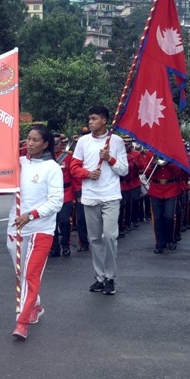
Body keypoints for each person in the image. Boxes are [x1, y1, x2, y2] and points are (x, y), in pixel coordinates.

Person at [6, 124, 63, 341]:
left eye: (35, 140)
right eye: (28, 139)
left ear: (45, 144)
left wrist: (31, 215)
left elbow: (56, 202)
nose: (29, 143)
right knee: (21, 273)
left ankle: (21, 322)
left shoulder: (52, 168)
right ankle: (35, 306)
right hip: (16, 227)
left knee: (30, 274)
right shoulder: (19, 163)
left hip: (41, 230)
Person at [70, 106, 128, 296]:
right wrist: (87, 174)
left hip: (110, 196)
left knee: (109, 236)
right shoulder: (83, 141)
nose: (90, 122)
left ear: (104, 120)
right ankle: (100, 277)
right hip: (90, 196)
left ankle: (110, 277)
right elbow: (74, 167)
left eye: (94, 118)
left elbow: (124, 170)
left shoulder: (116, 141)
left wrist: (109, 158)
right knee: (94, 239)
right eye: (89, 119)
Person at [144, 152, 190, 254]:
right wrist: (154, 165)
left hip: (171, 189)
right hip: (156, 189)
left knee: (169, 216)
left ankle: (170, 238)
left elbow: (181, 174)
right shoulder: (151, 153)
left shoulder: (174, 154)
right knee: (157, 218)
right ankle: (159, 243)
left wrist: (170, 163)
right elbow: (146, 173)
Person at [49, 134, 75, 258]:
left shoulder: (68, 157)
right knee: (51, 223)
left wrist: (76, 194)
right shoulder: (45, 157)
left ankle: (65, 245)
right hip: (50, 194)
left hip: (66, 193)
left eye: (57, 143)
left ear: (61, 144)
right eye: (53, 144)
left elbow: (73, 176)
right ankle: (54, 248)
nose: (55, 146)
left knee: (64, 221)